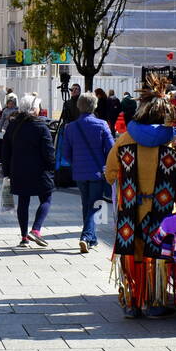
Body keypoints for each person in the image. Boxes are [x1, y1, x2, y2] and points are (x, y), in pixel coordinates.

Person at [104, 78, 176, 319]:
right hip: (161, 210)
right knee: (157, 254)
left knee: (132, 255)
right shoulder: (172, 142)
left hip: (130, 211)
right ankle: (155, 302)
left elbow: (110, 173)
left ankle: (132, 303)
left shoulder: (125, 140)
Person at [63, 92, 116, 254]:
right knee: (94, 205)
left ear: (79, 106)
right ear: (95, 106)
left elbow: (66, 154)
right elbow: (111, 149)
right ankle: (86, 236)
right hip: (98, 173)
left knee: (86, 204)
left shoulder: (70, 127)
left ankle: (91, 238)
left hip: (79, 173)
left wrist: (76, 164)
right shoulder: (101, 125)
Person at [0, 94, 55, 247]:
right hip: (40, 171)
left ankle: (24, 237)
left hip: (18, 170)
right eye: (38, 107)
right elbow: (48, 152)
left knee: (23, 201)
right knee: (46, 198)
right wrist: (52, 167)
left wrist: (6, 172)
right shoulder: (41, 126)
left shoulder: (13, 125)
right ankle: (36, 230)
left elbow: (5, 151)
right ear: (33, 109)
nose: (40, 109)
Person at [0, 93, 19, 170]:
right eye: (9, 104)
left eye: (12, 103)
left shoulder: (17, 110)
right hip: (6, 127)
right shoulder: (5, 110)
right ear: (7, 104)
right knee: (4, 139)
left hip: (14, 128)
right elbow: (2, 119)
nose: (10, 105)